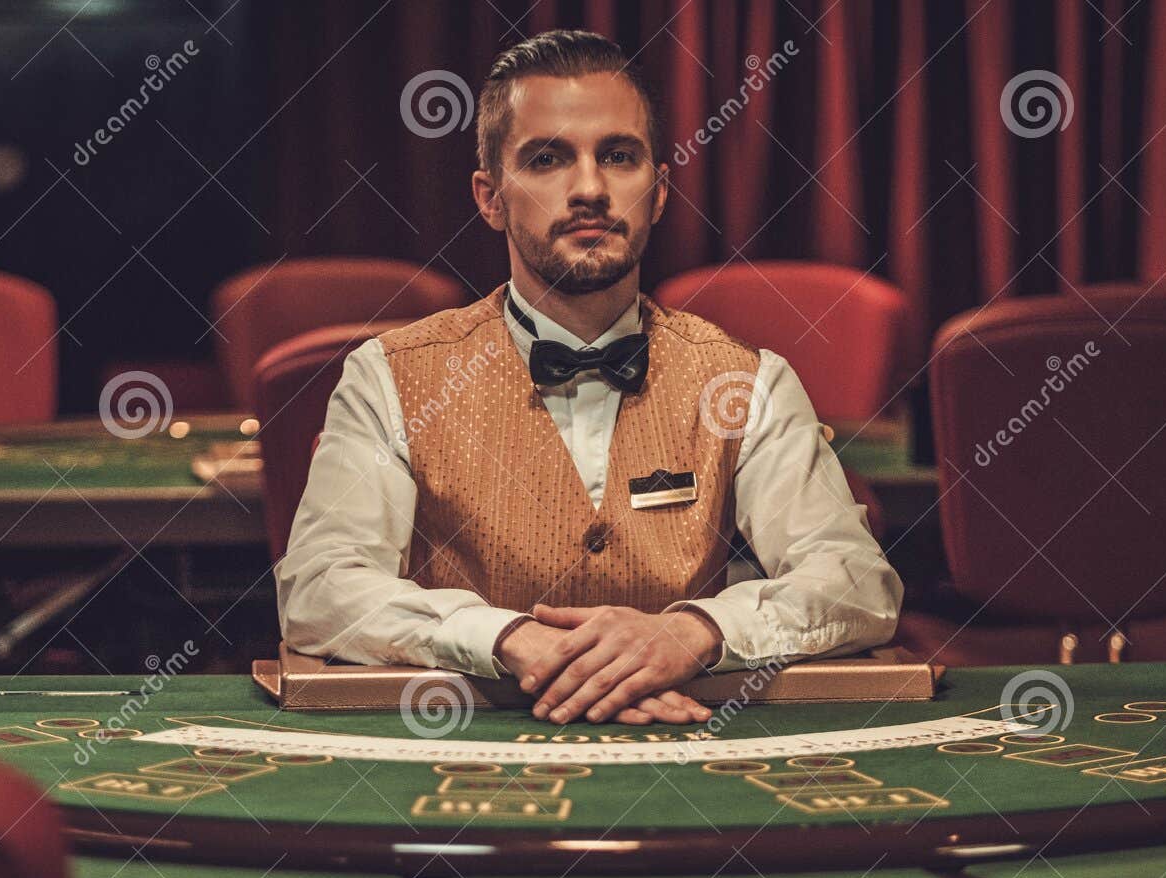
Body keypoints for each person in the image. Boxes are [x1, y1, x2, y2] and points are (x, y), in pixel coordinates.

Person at [277, 29, 902, 726]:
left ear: (659, 190)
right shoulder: (388, 377)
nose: (589, 188)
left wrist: (692, 632)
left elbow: (856, 583)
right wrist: (507, 638)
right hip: (460, 753)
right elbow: (319, 586)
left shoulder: (747, 382)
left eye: (618, 156)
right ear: (490, 197)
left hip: (690, 751)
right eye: (547, 159)